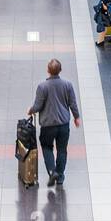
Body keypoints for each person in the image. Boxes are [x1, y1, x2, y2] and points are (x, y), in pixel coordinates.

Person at [28, 58, 81, 187]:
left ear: (48, 70)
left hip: (48, 125)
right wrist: (76, 117)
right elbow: (72, 103)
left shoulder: (42, 87)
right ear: (60, 70)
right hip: (63, 124)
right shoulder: (68, 85)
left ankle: (52, 172)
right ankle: (60, 176)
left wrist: (31, 110)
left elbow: (38, 105)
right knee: (62, 150)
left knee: (47, 147)